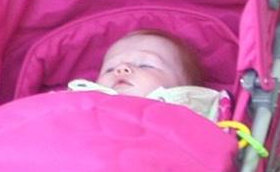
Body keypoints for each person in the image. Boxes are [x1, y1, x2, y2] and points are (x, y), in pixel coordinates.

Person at [67, 30, 223, 120]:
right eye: (109, 69)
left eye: (145, 65)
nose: (121, 69)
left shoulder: (196, 113)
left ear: (184, 87)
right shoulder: (75, 101)